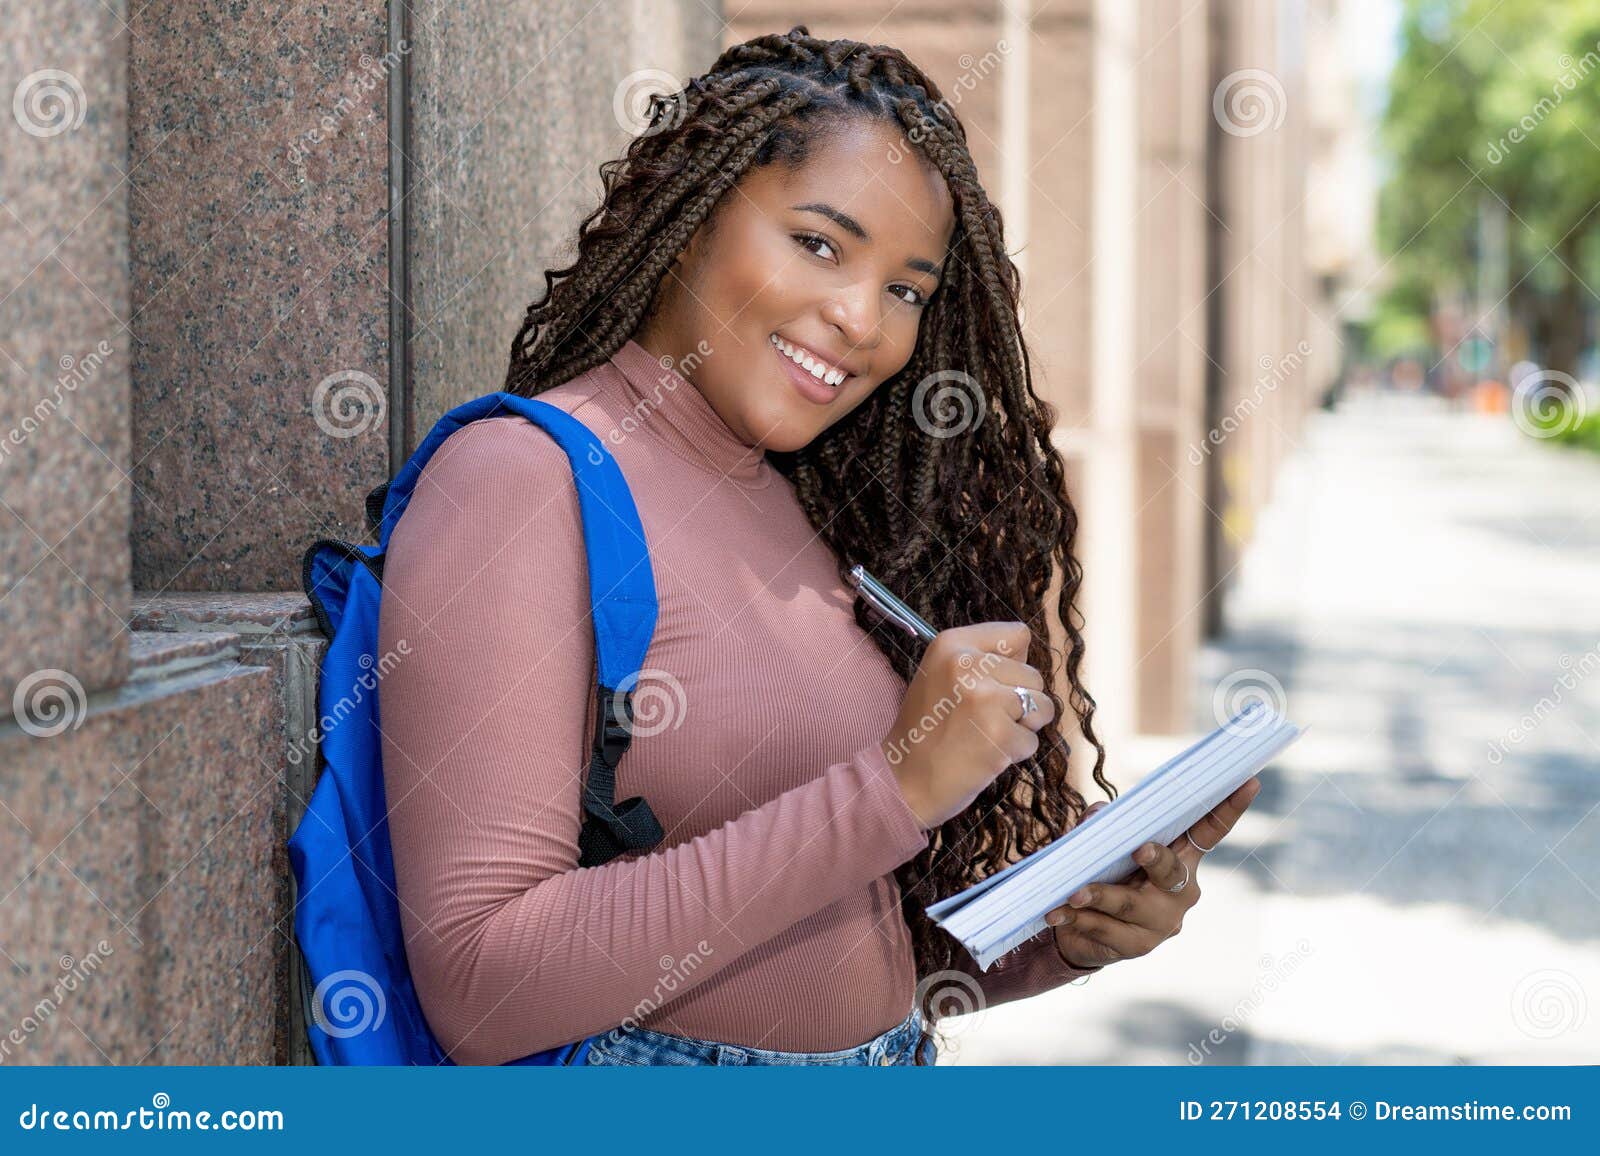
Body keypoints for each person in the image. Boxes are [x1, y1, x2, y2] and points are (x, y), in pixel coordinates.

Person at [376, 25, 1259, 1067]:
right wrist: (895, 786)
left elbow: (837, 932)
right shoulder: (519, 483)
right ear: (689, 212)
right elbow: (482, 985)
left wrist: (1058, 934)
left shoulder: (802, 506)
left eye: (906, 289)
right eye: (820, 244)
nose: (860, 320)